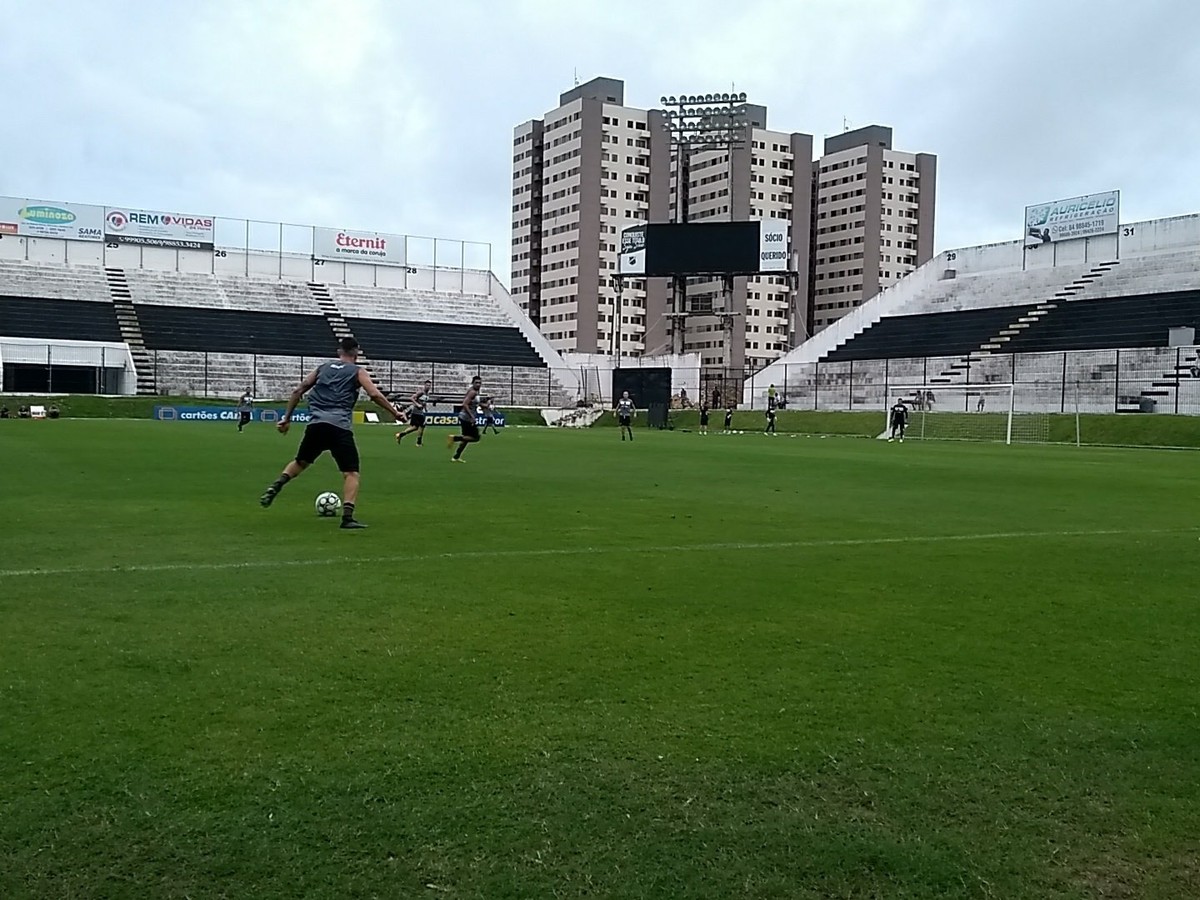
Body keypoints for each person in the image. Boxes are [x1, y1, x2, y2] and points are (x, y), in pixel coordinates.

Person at [259, 337, 403, 529]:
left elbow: (298, 390)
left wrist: (286, 418)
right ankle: (348, 518)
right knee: (351, 473)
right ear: (356, 353)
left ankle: (277, 485)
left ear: (339, 352)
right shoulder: (358, 371)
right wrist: (395, 413)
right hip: (339, 427)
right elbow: (374, 394)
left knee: (300, 462)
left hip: (316, 424)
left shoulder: (322, 368)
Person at [448, 375, 483, 462]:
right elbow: (464, 404)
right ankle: (454, 438)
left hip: (465, 417)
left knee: (466, 438)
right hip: (467, 418)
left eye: (479, 383)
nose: (478, 384)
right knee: (476, 438)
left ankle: (456, 456)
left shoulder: (474, 391)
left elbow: (473, 403)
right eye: (476, 383)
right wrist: (472, 417)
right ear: (472, 383)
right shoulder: (473, 392)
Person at [394, 379, 432, 446]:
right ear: (424, 385)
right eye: (427, 385)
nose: (428, 387)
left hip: (420, 411)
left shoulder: (427, 394)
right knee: (422, 425)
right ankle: (418, 442)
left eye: (429, 385)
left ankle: (400, 434)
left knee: (415, 427)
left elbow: (424, 402)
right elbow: (411, 398)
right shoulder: (421, 392)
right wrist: (417, 405)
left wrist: (425, 408)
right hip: (417, 411)